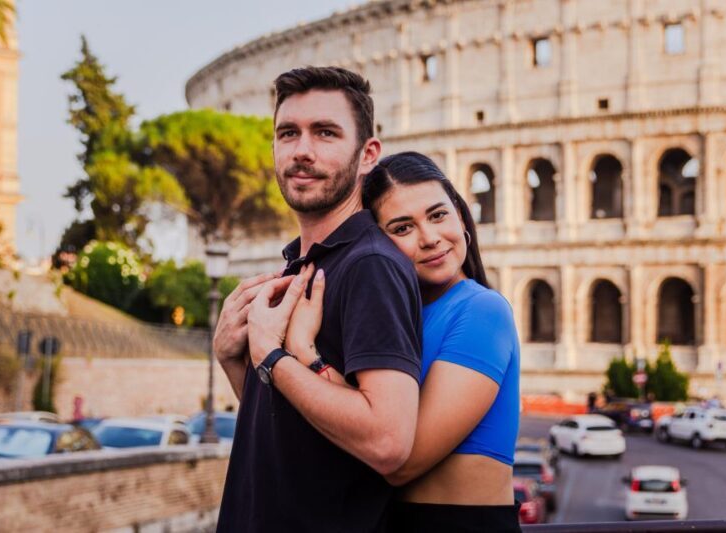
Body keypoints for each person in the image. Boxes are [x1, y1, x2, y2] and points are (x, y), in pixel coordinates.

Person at [212, 67, 422, 532]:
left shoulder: (371, 266)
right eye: (288, 133)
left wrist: (272, 355)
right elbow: (287, 424)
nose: (302, 150)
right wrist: (233, 359)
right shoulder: (299, 264)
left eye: (325, 133)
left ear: (368, 155)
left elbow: (388, 440)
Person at [282, 152, 522, 532]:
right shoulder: (392, 321)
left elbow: (398, 458)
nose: (429, 239)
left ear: (461, 216)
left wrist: (303, 354)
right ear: (380, 242)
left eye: (438, 215)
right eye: (402, 228)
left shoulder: (482, 310)